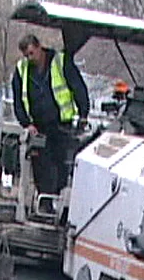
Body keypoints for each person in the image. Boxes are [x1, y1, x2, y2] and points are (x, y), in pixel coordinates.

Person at [11, 34, 90, 195]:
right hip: (38, 127)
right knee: (41, 166)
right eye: (26, 55)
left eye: (31, 53)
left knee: (62, 164)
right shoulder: (22, 70)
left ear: (39, 47)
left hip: (62, 125)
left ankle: (59, 197)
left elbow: (78, 88)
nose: (29, 58)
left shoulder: (60, 62)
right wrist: (26, 123)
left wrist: (83, 114)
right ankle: (45, 200)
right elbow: (18, 100)